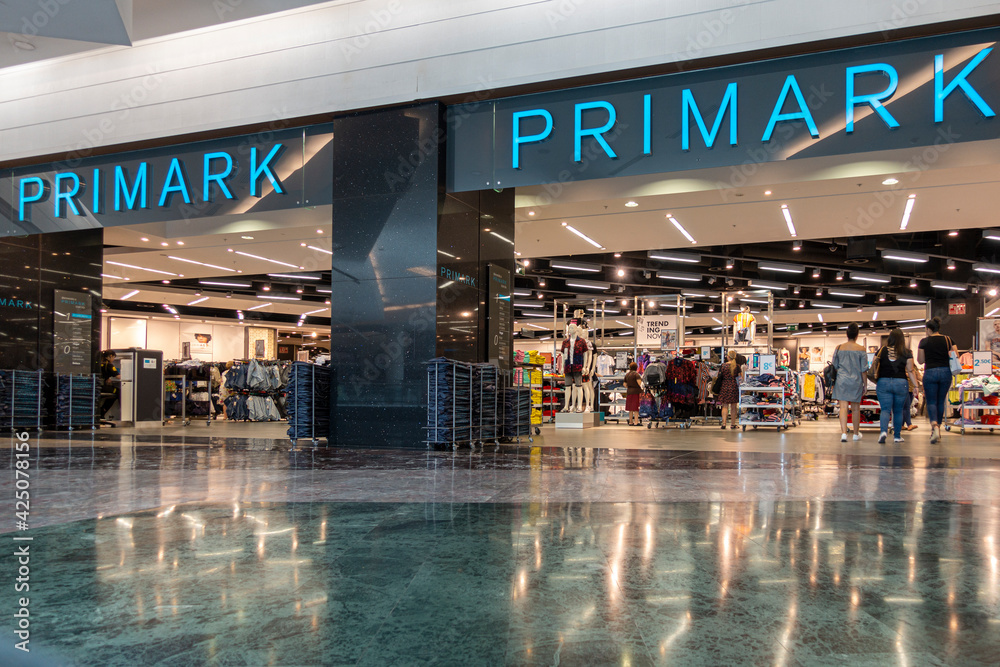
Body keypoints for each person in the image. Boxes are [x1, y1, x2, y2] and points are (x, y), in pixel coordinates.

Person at [875, 329, 919, 445]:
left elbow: (874, 365)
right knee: (898, 410)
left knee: (885, 410)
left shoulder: (882, 350)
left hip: (883, 382)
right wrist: (916, 385)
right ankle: (897, 436)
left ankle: (883, 432)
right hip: (900, 383)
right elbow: (910, 370)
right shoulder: (907, 352)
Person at [918, 317, 958, 443]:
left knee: (931, 401)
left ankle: (934, 425)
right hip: (946, 372)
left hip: (930, 372)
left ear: (928, 329)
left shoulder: (924, 341)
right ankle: (938, 429)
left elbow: (920, 360)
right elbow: (955, 355)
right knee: (940, 401)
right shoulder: (948, 339)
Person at [832, 322, 869, 442]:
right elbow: (864, 369)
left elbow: (835, 365)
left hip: (842, 380)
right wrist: (865, 385)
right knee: (856, 408)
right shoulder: (861, 349)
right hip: (856, 380)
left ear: (846, 334)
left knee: (843, 407)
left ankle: (843, 433)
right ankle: (855, 434)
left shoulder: (838, 348)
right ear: (857, 335)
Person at [716, 350, 741, 430]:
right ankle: (733, 424)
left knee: (725, 406)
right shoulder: (737, 366)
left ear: (729, 357)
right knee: (733, 407)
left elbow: (719, 376)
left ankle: (724, 424)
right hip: (734, 387)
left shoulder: (723, 366)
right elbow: (740, 378)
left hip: (724, 387)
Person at [99, 350, 121, 420]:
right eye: (113, 358)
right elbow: (118, 376)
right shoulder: (109, 365)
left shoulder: (100, 363)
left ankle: (102, 411)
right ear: (110, 356)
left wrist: (108, 378)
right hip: (102, 387)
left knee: (113, 396)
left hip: (98, 386)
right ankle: (122, 408)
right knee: (118, 391)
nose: (113, 359)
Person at [903, 364, 923, 431]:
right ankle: (909, 424)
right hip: (904, 387)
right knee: (906, 407)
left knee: (907, 406)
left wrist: (925, 380)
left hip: (911, 388)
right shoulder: (903, 363)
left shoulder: (913, 365)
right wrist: (911, 374)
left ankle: (901, 425)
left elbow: (918, 376)